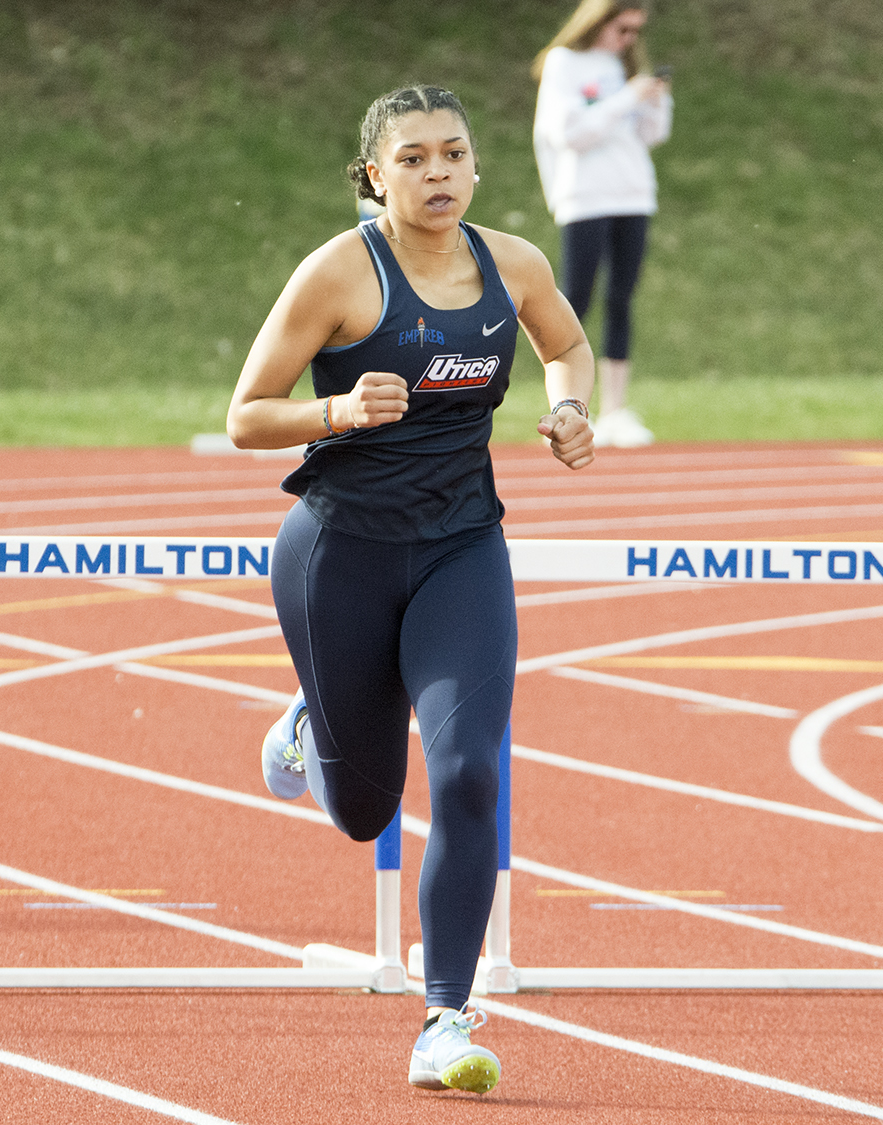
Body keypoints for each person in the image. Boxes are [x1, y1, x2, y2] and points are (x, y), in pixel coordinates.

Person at [227, 84, 596, 1093]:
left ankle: (444, 1019)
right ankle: (310, 724)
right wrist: (339, 410)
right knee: (364, 812)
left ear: (475, 165)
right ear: (373, 175)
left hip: (460, 549)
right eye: (414, 158)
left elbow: (566, 346)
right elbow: (247, 415)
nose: (439, 173)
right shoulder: (339, 273)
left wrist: (571, 411)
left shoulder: (513, 264)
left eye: (454, 154)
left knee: (469, 771)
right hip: (339, 553)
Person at [532, 0, 672, 448]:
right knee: (574, 301)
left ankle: (615, 410)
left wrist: (656, 102)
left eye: (636, 31)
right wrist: (627, 98)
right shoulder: (564, 63)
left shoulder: (624, 68)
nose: (629, 39)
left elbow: (651, 136)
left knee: (621, 299)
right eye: (622, 29)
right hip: (585, 197)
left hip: (633, 194)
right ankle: (564, 408)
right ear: (599, 21)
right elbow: (569, 134)